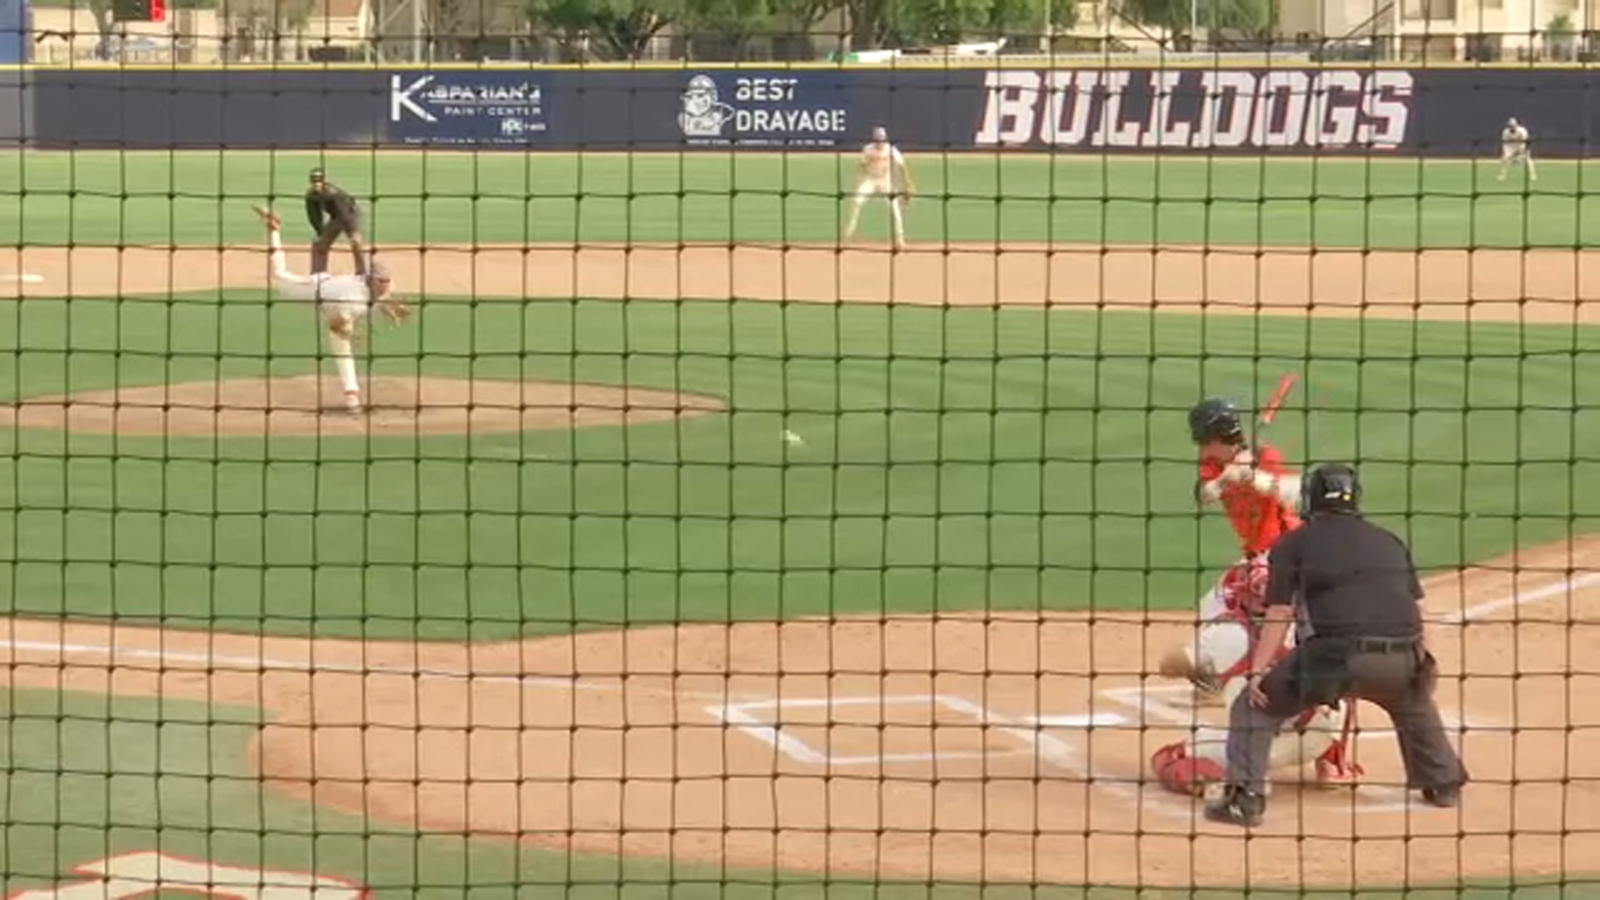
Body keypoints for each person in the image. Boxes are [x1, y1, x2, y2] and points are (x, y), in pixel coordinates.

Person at [1204, 463, 1469, 827]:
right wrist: (1421, 663)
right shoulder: (1388, 540)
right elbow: (1419, 609)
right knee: (1413, 701)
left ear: (1312, 501)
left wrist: (1257, 671)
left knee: (1253, 709)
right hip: (1402, 656)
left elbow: (1280, 612)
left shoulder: (1293, 544)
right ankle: (1443, 784)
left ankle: (1244, 800)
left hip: (1334, 658)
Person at [1150, 398, 1360, 791]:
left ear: (1213, 437)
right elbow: (1204, 495)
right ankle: (1212, 674)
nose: (1201, 450)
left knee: (1310, 636)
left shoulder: (1265, 456)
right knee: (1214, 604)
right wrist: (1230, 477)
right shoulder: (1216, 464)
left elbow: (1295, 494)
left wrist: (1256, 478)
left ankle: (1334, 755)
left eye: (1204, 442)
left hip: (1293, 555)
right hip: (1257, 557)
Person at [253, 205, 411, 414]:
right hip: (316, 292)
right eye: (381, 282)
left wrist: (390, 307)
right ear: (371, 281)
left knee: (342, 349)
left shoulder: (383, 287)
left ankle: (351, 395)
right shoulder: (350, 300)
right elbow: (336, 324)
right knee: (280, 277)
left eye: (386, 281)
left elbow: (383, 296)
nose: (385, 285)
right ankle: (274, 229)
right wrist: (353, 334)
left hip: (333, 293)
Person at [843, 126, 915, 251]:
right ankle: (849, 234)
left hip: (885, 181)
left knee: (895, 209)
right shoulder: (868, 149)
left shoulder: (891, 149)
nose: (879, 142)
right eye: (877, 140)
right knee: (856, 201)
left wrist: (908, 183)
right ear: (874, 139)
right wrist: (857, 183)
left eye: (881, 139)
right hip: (870, 180)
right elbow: (861, 166)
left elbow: (902, 165)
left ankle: (900, 239)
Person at [305, 168, 369, 275]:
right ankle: (318, 273)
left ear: (324, 180)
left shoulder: (333, 194)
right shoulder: (312, 196)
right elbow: (314, 216)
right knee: (319, 243)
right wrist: (320, 232)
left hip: (350, 215)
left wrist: (351, 232)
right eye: (314, 180)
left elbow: (345, 214)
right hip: (336, 217)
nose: (316, 183)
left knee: (355, 242)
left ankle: (361, 272)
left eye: (319, 180)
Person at [1498, 117, 1536, 182]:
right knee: (1505, 160)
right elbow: (1505, 144)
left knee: (1528, 160)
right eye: (1510, 126)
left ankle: (1532, 175)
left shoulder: (1522, 131)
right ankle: (1502, 175)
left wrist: (1524, 152)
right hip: (1511, 147)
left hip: (1521, 146)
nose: (1512, 127)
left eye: (1513, 126)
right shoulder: (1505, 132)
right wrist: (1506, 154)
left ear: (1516, 125)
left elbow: (1526, 142)